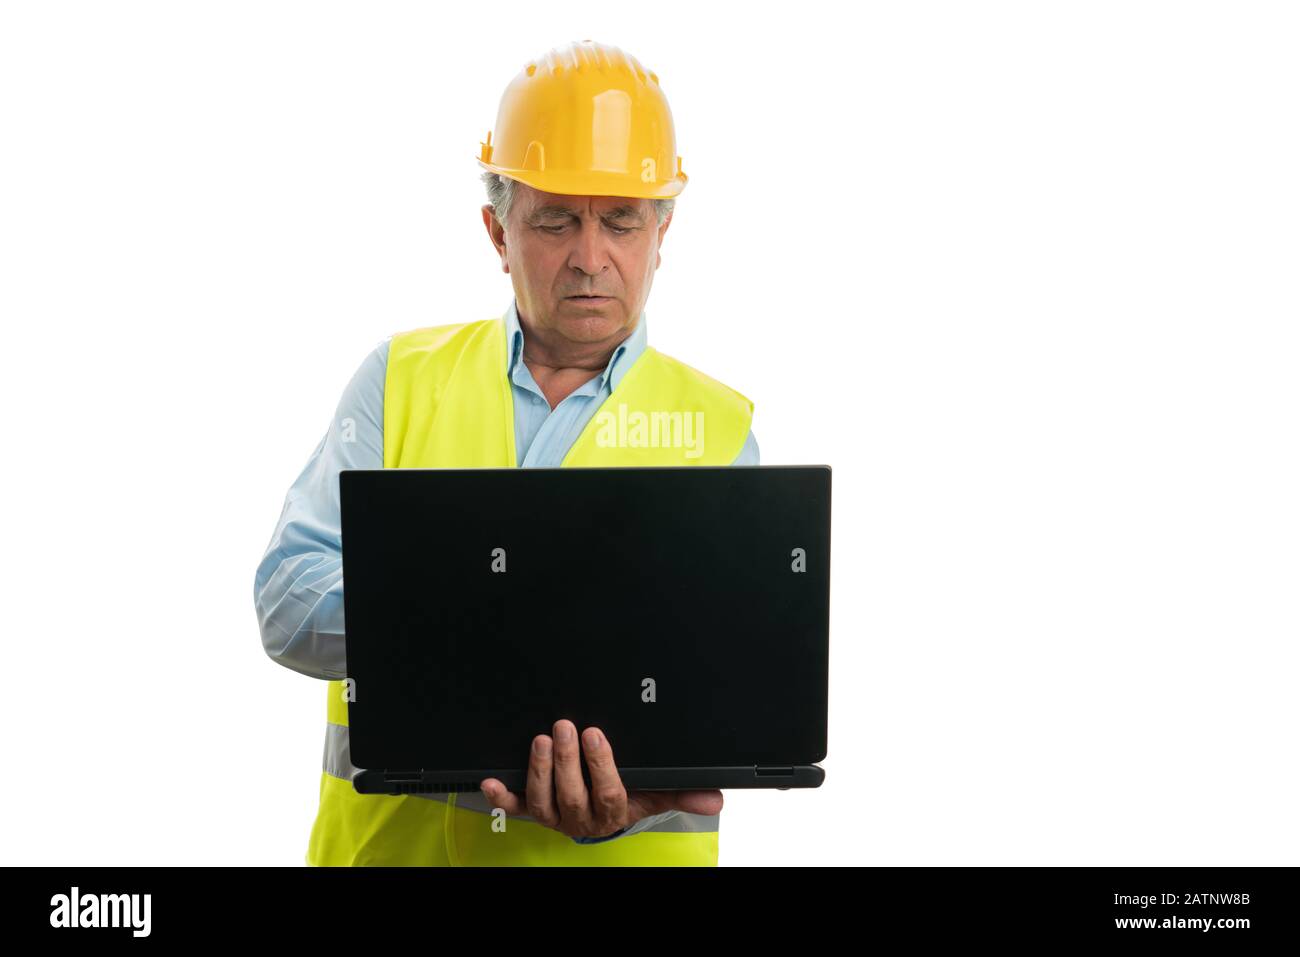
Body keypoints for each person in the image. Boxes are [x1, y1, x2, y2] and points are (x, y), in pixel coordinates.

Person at [253, 39, 758, 866]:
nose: (591, 257)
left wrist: (628, 801)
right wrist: (472, 620)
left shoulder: (721, 431)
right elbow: (286, 597)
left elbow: (729, 695)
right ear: (498, 228)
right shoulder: (397, 381)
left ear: (662, 231)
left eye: (621, 220)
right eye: (557, 219)